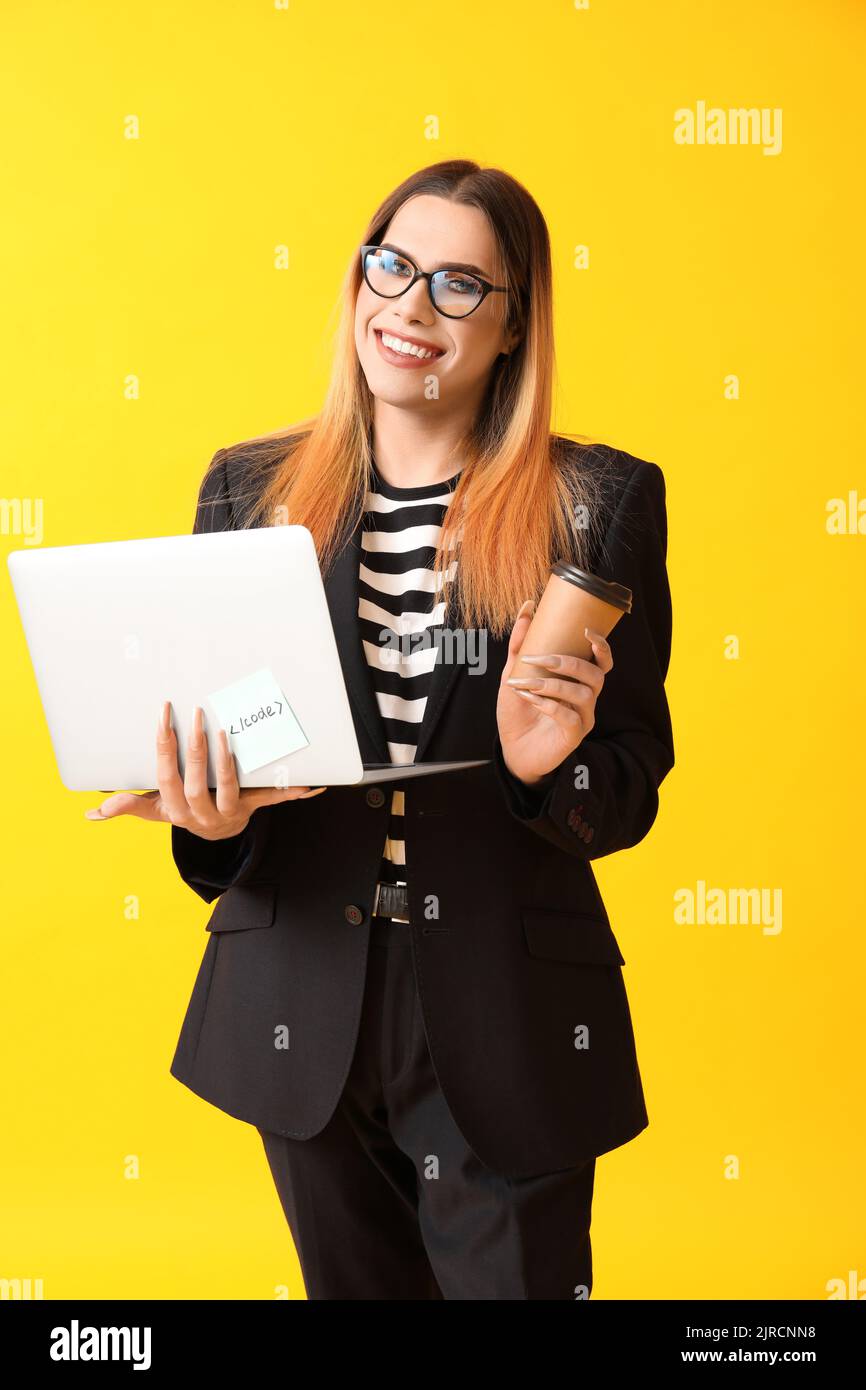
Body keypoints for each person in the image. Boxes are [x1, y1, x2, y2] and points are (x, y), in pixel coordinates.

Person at [86, 158, 675, 1300]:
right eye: (392, 268)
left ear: (512, 327)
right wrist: (208, 823)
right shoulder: (248, 489)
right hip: (297, 999)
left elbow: (630, 779)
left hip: (508, 1010)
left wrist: (545, 773)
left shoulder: (594, 500)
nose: (411, 308)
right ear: (359, 283)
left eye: (460, 285)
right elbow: (236, 784)